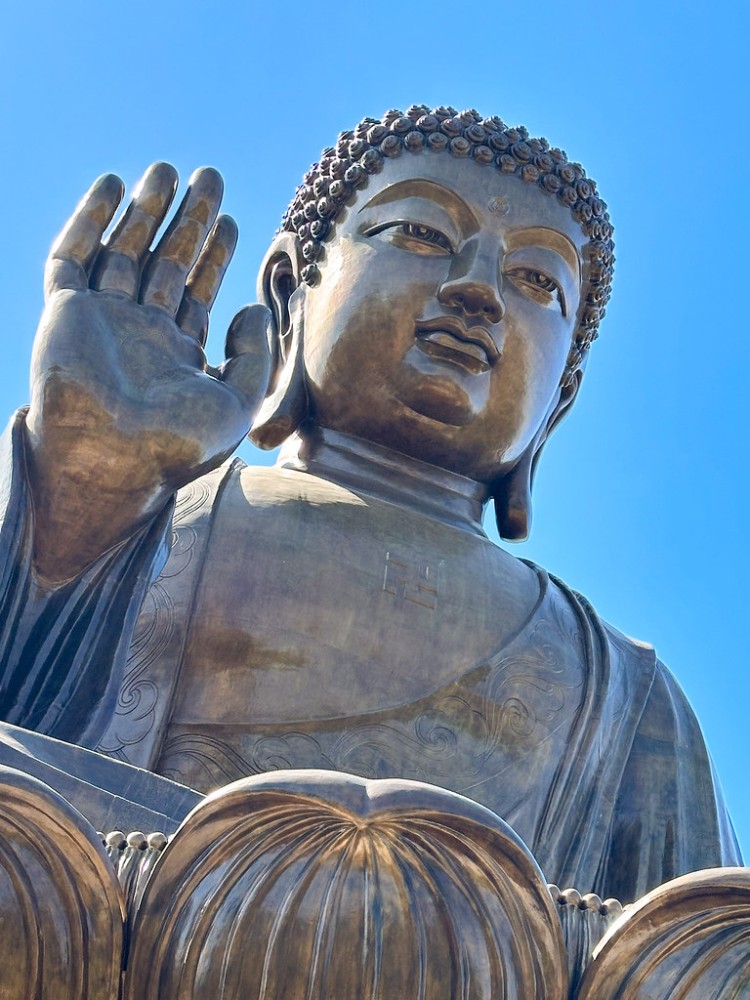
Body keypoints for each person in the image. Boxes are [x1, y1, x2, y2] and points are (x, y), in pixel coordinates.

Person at [0, 105, 740, 903]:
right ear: (293, 292)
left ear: (559, 399)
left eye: (536, 280)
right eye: (421, 234)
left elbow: (696, 952)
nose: (477, 292)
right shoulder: (147, 518)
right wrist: (83, 493)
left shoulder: (626, 694)